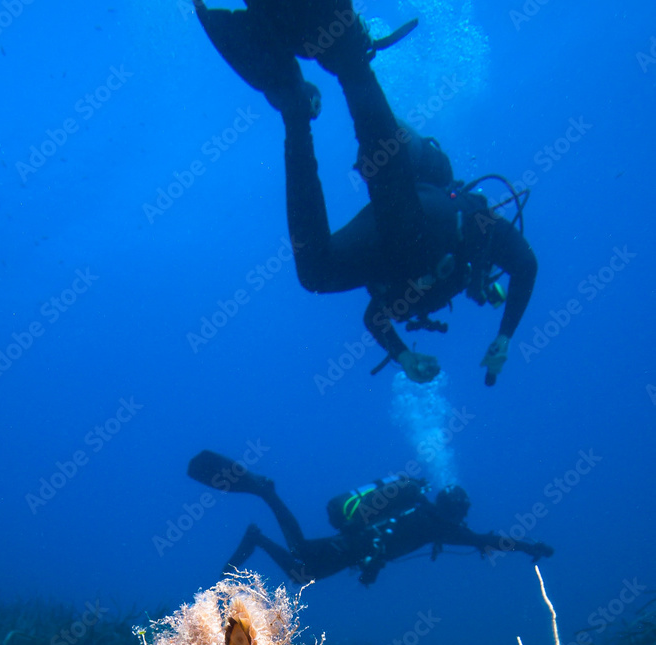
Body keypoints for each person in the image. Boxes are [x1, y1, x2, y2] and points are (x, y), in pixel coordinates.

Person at [195, 0, 537, 386]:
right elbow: (526, 266)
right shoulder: (483, 239)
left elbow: (375, 315)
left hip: (391, 244)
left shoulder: (440, 292)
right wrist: (505, 336)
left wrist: (404, 356)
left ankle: (295, 107)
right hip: (428, 216)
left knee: (317, 274)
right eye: (487, 291)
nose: (480, 294)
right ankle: (349, 56)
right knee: (396, 200)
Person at [188, 450, 553, 586]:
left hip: (356, 544)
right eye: (463, 514)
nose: (463, 521)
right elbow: (485, 540)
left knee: (302, 573)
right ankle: (267, 495)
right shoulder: (436, 522)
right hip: (356, 545)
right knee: (300, 556)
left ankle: (257, 536)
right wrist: (528, 546)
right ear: (456, 510)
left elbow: (480, 539)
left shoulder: (427, 514)